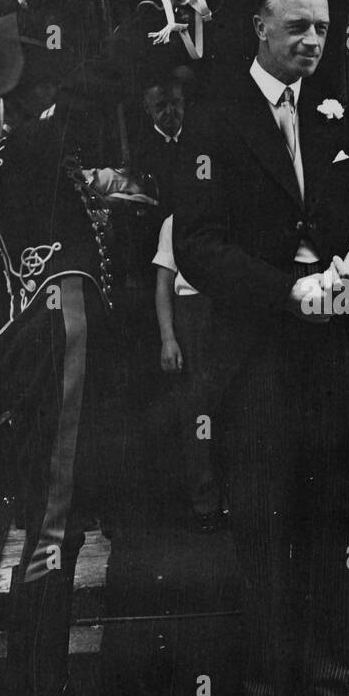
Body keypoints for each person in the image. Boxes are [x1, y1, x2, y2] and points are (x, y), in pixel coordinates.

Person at [173, 0, 349, 696]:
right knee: (265, 523)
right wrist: (287, 291)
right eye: (297, 27)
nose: (313, 42)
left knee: (325, 519)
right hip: (257, 353)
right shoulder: (213, 119)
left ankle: (329, 684)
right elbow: (200, 246)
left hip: (334, 350)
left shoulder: (342, 117)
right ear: (260, 28)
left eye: (322, 28)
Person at [0, 16, 137, 696]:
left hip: (37, 334)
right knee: (52, 521)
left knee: (44, 519)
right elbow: (98, 81)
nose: (47, 92)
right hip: (55, 327)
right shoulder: (22, 146)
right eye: (35, 80)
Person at [152, 212, 228, 534]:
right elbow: (163, 287)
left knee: (233, 406)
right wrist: (168, 338)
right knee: (198, 412)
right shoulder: (174, 222)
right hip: (191, 318)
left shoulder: (231, 212)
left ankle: (235, 498)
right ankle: (205, 502)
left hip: (228, 312)